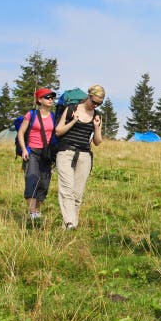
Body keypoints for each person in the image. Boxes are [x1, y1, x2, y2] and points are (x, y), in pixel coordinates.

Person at [54, 85, 104, 230]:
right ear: (88, 96)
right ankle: (70, 222)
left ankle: (69, 226)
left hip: (84, 156)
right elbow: (58, 131)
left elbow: (98, 141)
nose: (95, 105)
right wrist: (74, 121)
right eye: (94, 101)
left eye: (99, 103)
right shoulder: (71, 109)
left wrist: (96, 127)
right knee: (66, 189)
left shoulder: (97, 115)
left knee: (77, 193)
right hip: (66, 152)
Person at [17, 88, 58, 222]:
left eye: (52, 97)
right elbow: (21, 132)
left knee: (44, 183)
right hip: (32, 152)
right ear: (39, 100)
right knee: (32, 179)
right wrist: (24, 149)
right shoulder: (31, 114)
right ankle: (32, 213)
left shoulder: (53, 116)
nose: (51, 99)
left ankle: (37, 211)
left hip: (46, 154)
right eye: (47, 97)